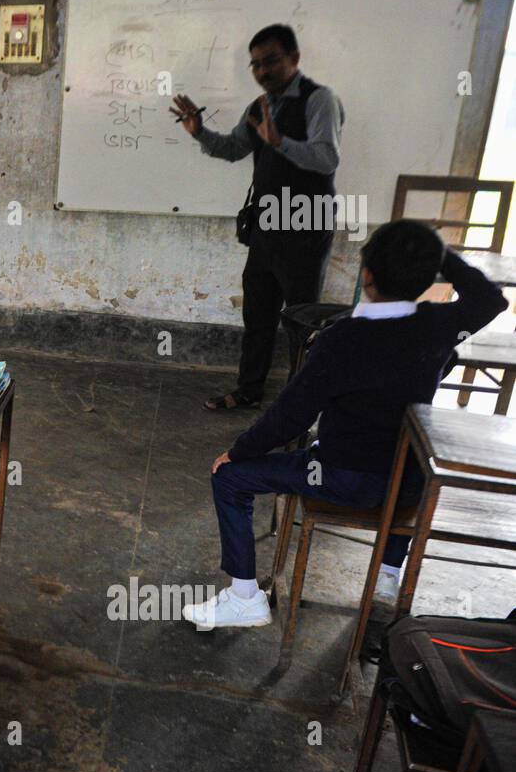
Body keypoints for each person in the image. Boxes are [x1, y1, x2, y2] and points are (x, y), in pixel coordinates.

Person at [183, 221, 507, 630]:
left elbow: (290, 417)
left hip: (344, 478)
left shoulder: (343, 338)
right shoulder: (440, 324)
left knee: (230, 478)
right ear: (428, 277)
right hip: (408, 481)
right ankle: (387, 577)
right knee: (410, 470)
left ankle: (244, 597)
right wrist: (435, 253)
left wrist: (238, 451)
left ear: (366, 276)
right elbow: (491, 299)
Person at [170, 23, 346, 412]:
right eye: (255, 65)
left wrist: (280, 142)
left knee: (303, 323)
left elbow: (326, 157)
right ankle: (249, 391)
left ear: (294, 59)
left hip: (305, 223)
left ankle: (300, 405)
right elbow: (233, 149)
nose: (262, 71)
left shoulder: (321, 101)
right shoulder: (258, 107)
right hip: (267, 224)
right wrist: (199, 132)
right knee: (259, 316)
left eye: (271, 61)